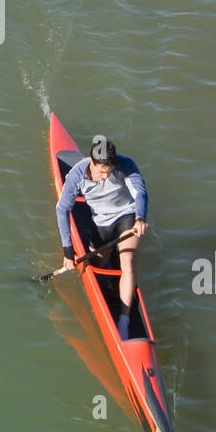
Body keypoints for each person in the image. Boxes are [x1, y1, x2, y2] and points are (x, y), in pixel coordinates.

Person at [56, 136, 149, 339]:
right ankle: (105, 271)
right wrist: (68, 251)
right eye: (100, 172)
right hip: (101, 222)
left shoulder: (126, 165)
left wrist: (140, 218)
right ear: (91, 162)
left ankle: (124, 321)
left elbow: (140, 193)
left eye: (108, 172)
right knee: (99, 261)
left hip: (128, 216)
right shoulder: (77, 175)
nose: (104, 177)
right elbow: (62, 209)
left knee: (128, 260)